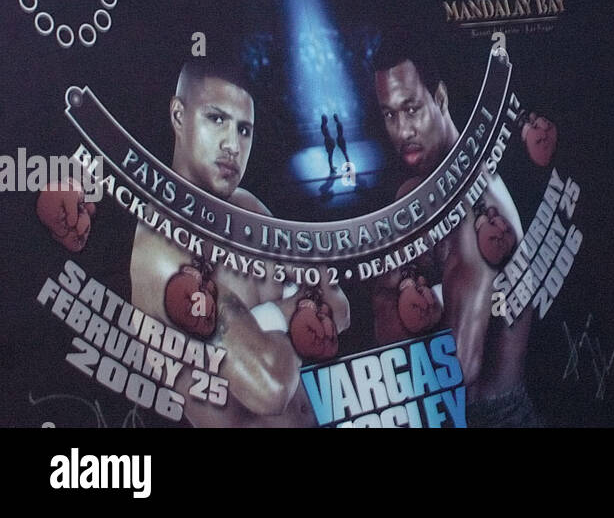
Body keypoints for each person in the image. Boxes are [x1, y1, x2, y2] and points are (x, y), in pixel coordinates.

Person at [130, 60, 351, 427]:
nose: (233, 144)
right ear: (179, 115)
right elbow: (271, 386)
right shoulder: (163, 247)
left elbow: (340, 307)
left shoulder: (248, 209)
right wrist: (290, 311)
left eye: (244, 129)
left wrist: (267, 324)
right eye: (217, 119)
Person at [371, 31, 541, 427]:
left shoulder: (474, 208)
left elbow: (457, 368)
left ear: (440, 98)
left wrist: (383, 290)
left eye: (411, 109)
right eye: (389, 114)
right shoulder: (423, 193)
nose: (402, 129)